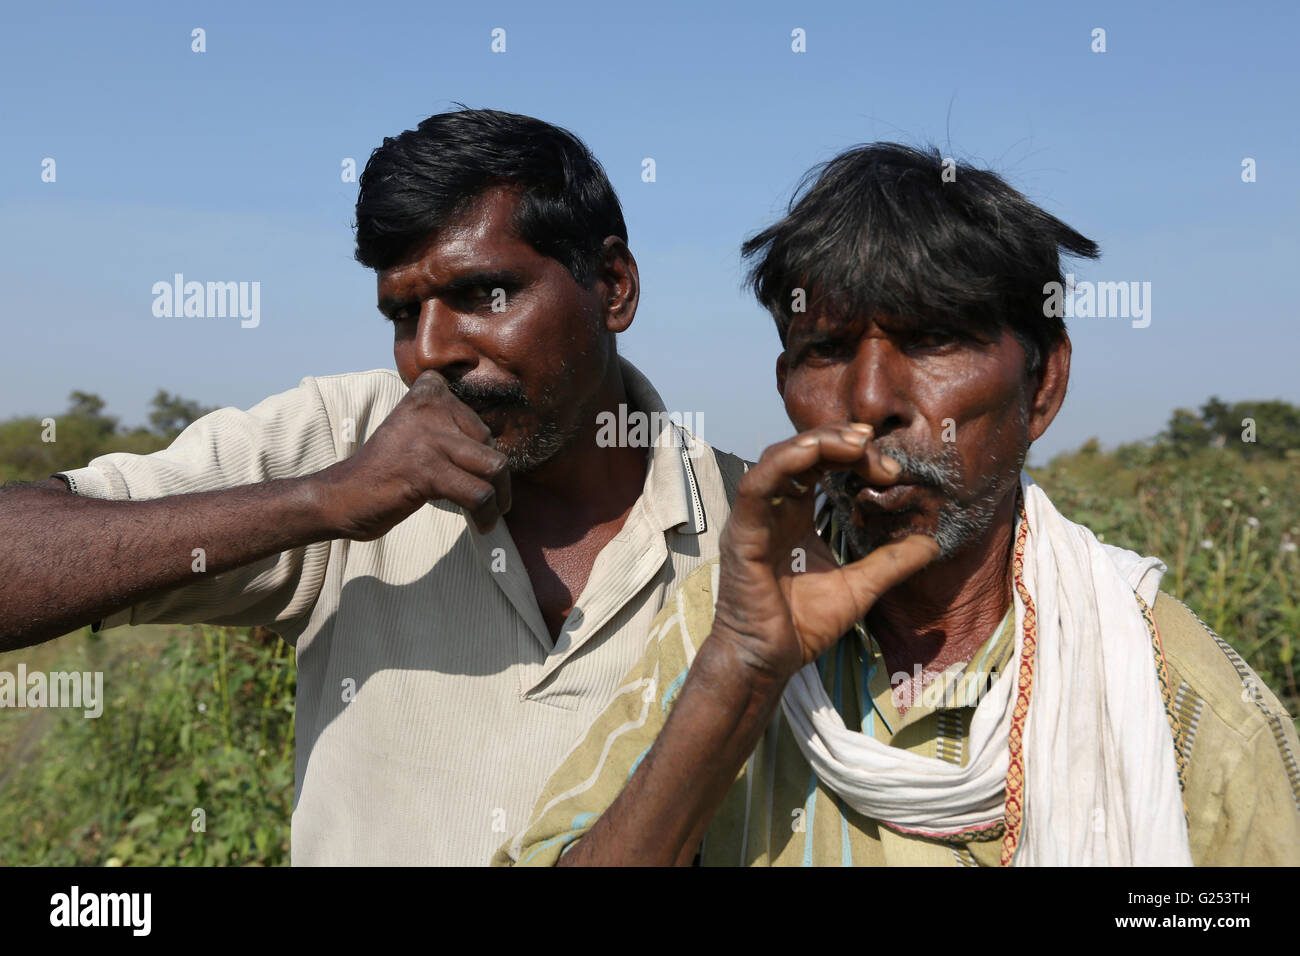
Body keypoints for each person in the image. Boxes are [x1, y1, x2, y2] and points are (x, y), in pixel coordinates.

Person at [495, 143, 1300, 867]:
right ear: (786, 389)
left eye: (934, 339)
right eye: (829, 350)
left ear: (1043, 384)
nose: (871, 398)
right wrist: (738, 675)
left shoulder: (1178, 702)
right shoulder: (719, 628)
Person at [0, 107, 747, 865]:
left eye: (484, 295)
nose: (429, 354)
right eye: (402, 314)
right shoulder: (343, 439)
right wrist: (322, 501)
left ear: (613, 286)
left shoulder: (750, 521)